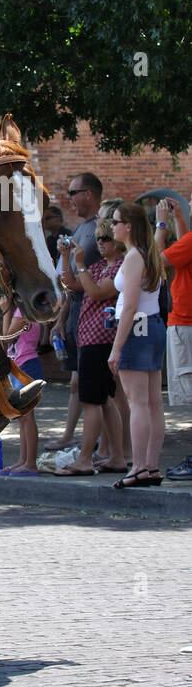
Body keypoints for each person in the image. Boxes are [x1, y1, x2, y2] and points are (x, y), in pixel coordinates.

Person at [54, 218, 126, 476]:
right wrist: (66, 257)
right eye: (98, 239)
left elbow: (95, 293)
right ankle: (116, 457)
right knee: (105, 401)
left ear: (118, 242)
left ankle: (84, 459)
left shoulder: (118, 268)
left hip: (100, 341)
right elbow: (72, 285)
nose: (101, 243)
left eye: (106, 238)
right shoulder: (98, 267)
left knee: (91, 402)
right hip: (90, 340)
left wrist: (81, 263)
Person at [108, 202, 169, 487]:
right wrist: (162, 224)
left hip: (138, 328)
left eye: (115, 221)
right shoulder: (149, 253)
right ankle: (151, 467)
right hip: (154, 326)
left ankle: (140, 467)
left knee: (138, 403)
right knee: (154, 403)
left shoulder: (134, 257)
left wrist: (116, 348)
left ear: (128, 226)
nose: (111, 226)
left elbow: (130, 307)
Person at [45, 175, 106, 451]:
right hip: (77, 314)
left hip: (98, 316)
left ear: (90, 194)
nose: (69, 197)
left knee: (99, 388)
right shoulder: (79, 230)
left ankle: (107, 444)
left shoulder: (100, 230)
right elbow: (69, 283)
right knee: (76, 382)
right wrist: (61, 319)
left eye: (74, 192)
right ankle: (71, 435)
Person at [157, 197, 192, 480]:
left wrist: (161, 224)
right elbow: (185, 255)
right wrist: (179, 220)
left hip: (186, 323)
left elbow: (157, 261)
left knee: (190, 393)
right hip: (186, 322)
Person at [0, 297, 43, 475]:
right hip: (18, 365)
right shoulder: (22, 311)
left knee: (28, 415)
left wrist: (6, 311)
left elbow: (6, 337)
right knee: (22, 416)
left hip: (27, 364)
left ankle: (30, 463)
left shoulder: (23, 312)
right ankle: (23, 460)